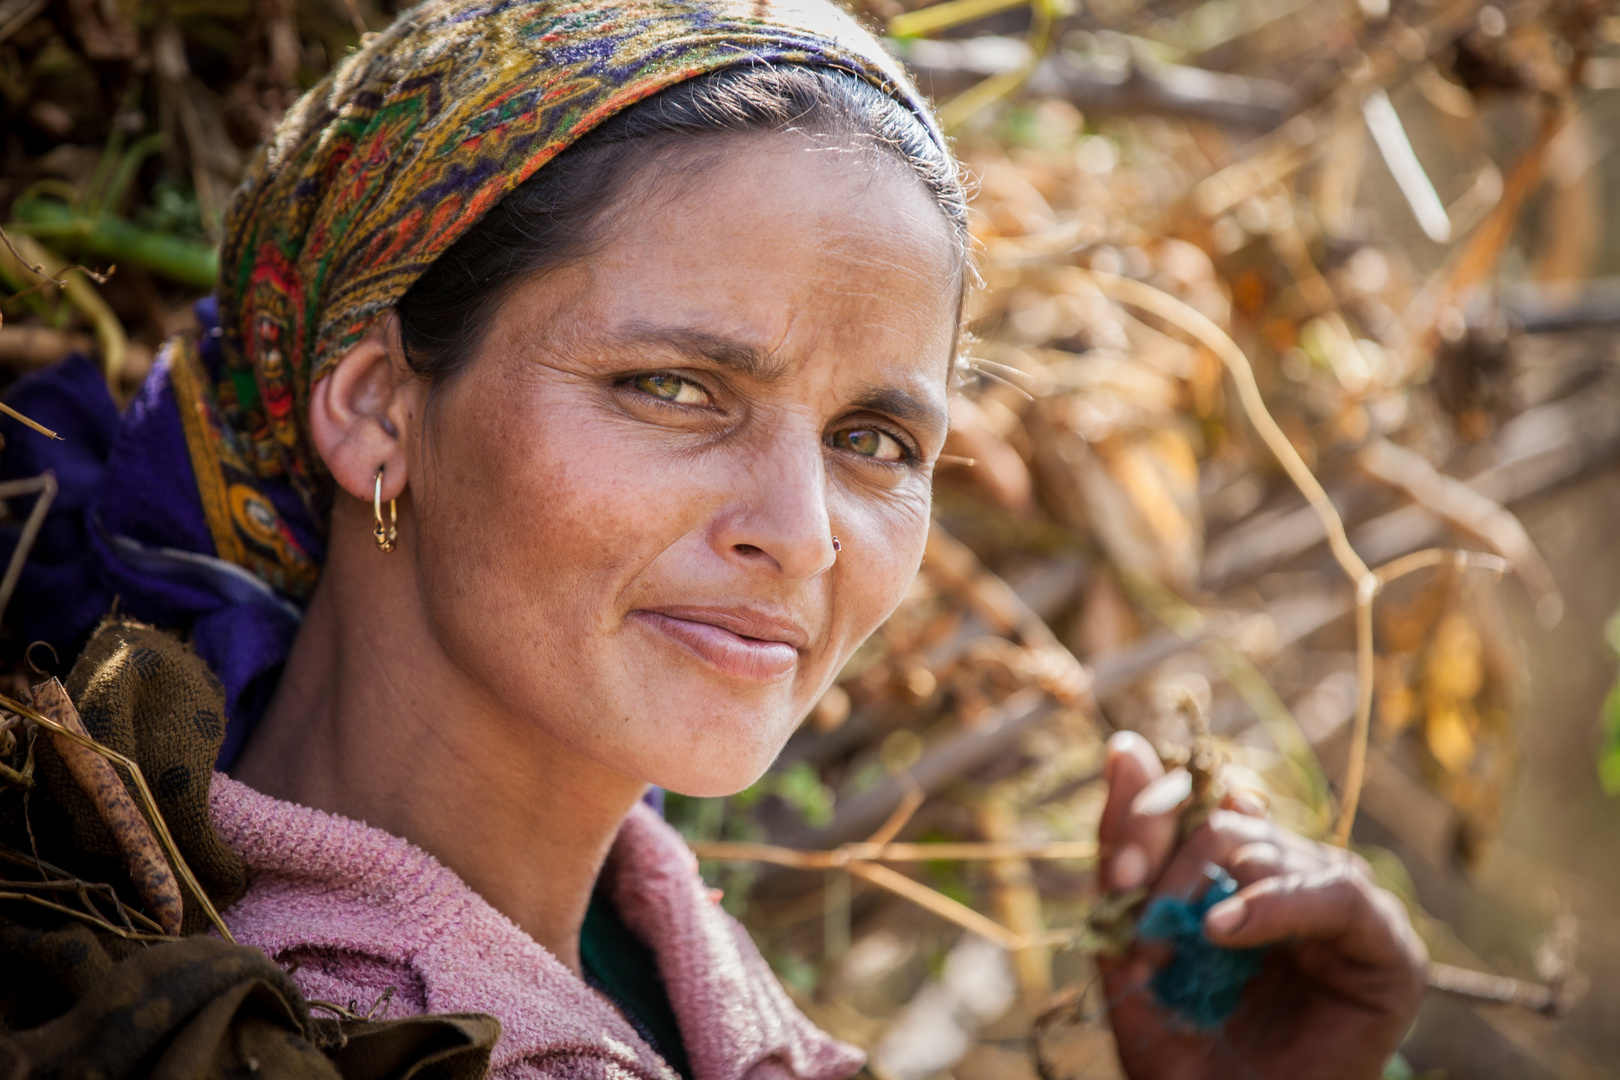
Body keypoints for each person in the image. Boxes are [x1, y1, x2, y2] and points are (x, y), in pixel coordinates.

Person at [0, 0, 1426, 1075]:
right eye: (673, 390)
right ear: (377, 409)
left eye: (876, 440)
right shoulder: (200, 1023)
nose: (803, 537)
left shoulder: (672, 972)